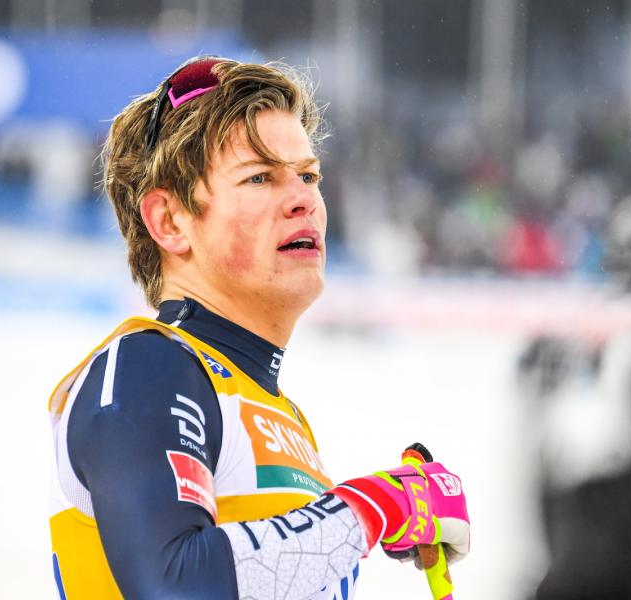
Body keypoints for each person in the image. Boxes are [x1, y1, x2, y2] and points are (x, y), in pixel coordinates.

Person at [47, 56, 471, 599]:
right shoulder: (146, 367)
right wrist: (375, 507)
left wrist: (364, 516)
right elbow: (173, 585)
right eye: (260, 177)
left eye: (308, 176)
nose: (304, 200)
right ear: (170, 222)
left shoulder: (272, 408)